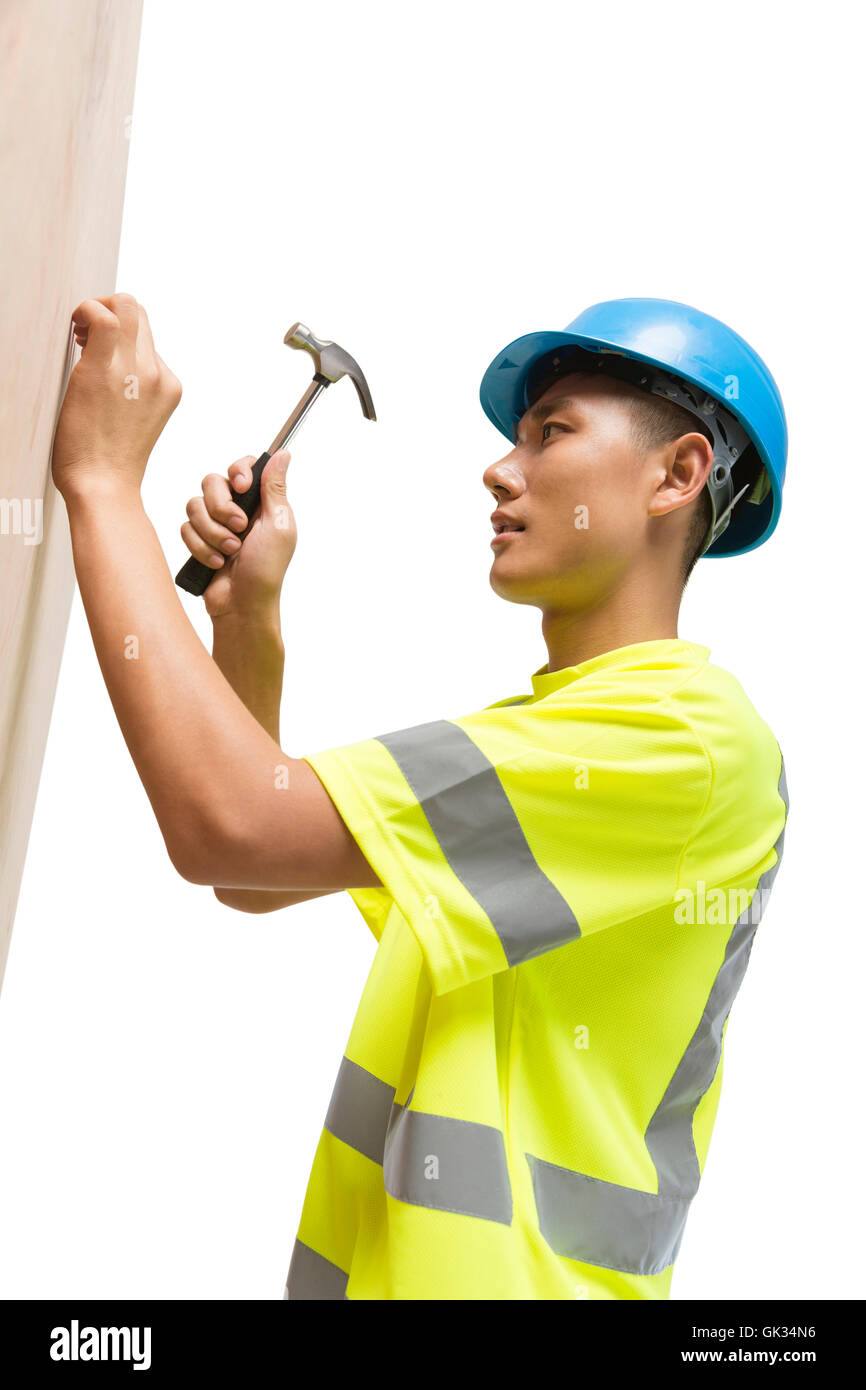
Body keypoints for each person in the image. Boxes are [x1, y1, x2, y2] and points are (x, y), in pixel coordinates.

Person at [52, 294, 789, 1301]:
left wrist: (100, 479)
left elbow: (233, 828)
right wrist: (250, 624)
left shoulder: (680, 744)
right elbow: (255, 870)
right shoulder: (566, 737)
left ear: (677, 473)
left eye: (551, 432)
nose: (498, 466)